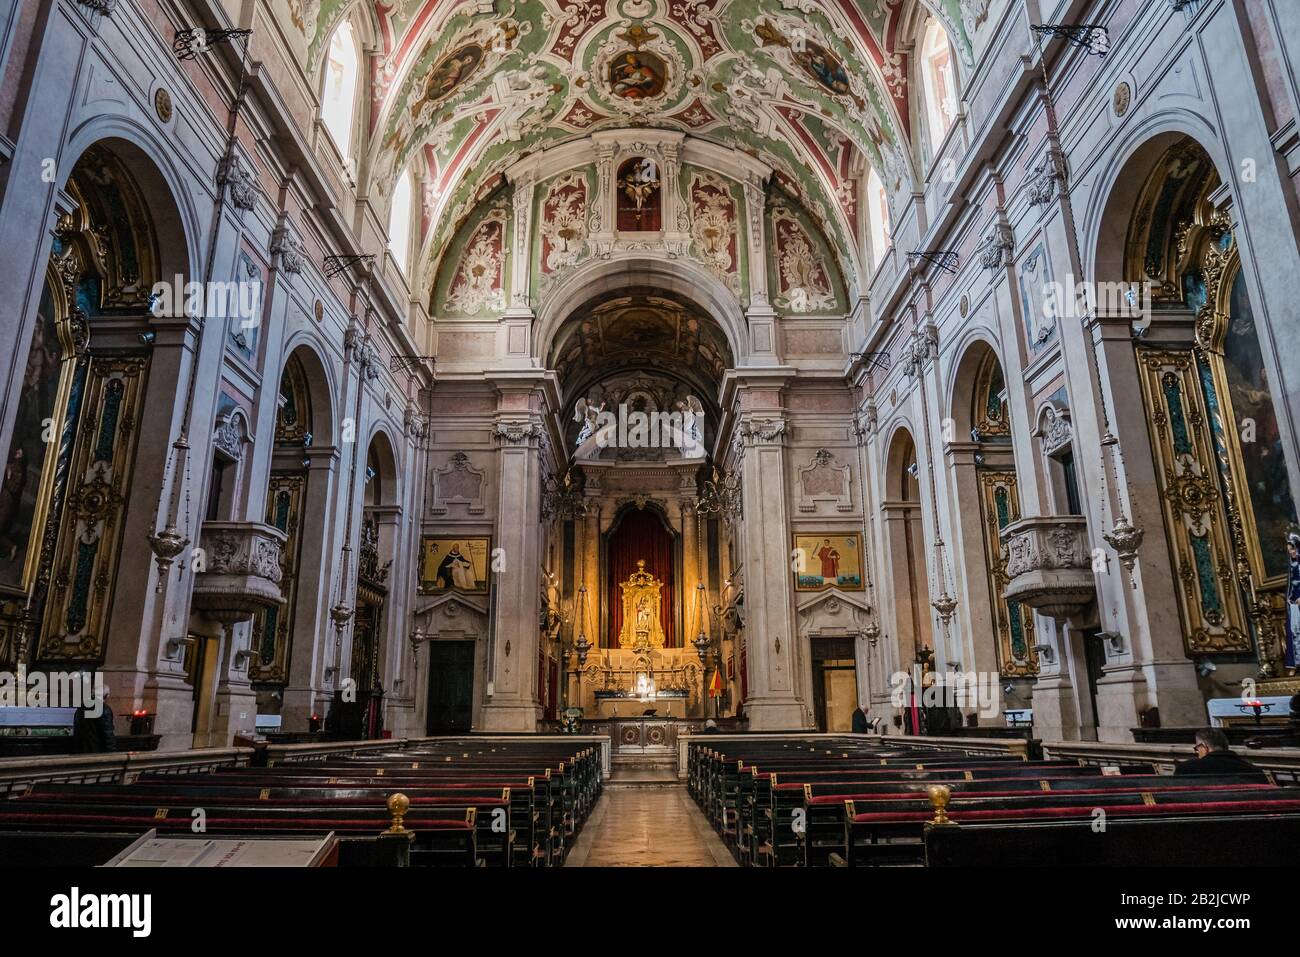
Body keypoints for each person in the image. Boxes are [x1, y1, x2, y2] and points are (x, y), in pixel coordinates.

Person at [1173, 728, 1259, 776]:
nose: (1197, 752)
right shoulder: (1253, 770)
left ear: (1204, 746)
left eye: (1197, 748)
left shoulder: (1186, 769)